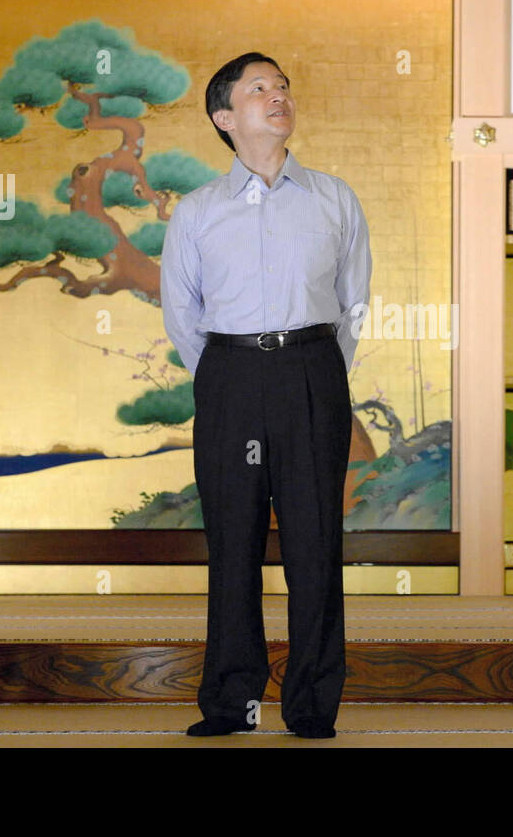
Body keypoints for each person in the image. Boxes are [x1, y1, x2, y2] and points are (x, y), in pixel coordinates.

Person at [161, 52, 371, 739]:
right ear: (225, 117)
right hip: (229, 376)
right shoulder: (196, 212)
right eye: (259, 89)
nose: (277, 95)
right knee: (233, 543)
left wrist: (313, 374)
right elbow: (182, 315)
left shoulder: (334, 198)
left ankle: (311, 703)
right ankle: (229, 699)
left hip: (312, 374)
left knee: (315, 543)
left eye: (282, 86)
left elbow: (352, 306)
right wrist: (230, 375)